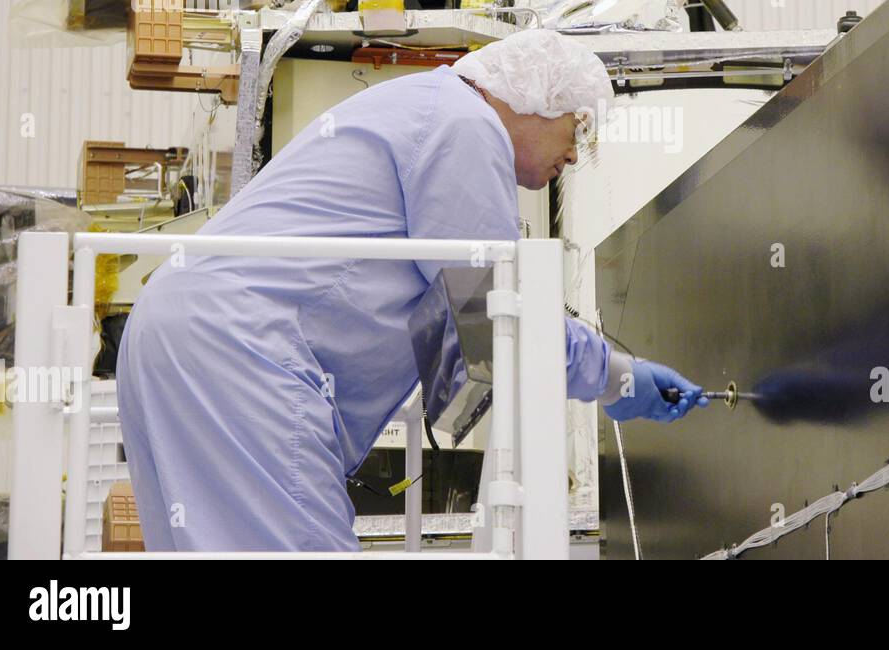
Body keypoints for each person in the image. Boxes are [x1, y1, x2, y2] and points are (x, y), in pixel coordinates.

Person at [116, 30, 705, 551]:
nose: (576, 153)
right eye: (577, 126)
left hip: (174, 335)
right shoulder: (465, 124)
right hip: (240, 352)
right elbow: (501, 312)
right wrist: (612, 374)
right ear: (538, 97)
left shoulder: (422, 107)